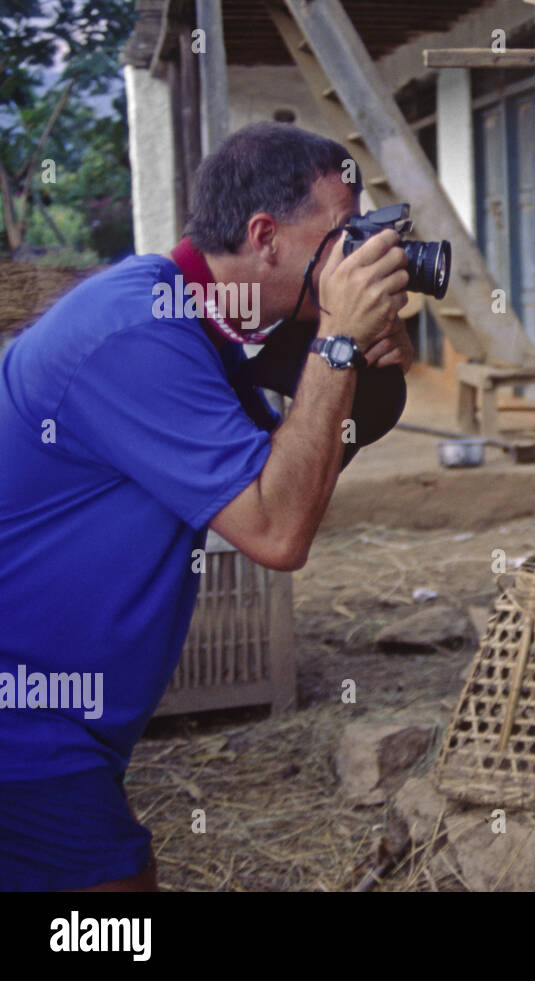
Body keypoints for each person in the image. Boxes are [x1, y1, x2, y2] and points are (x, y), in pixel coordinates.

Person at [0, 122, 415, 891]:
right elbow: (277, 529)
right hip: (22, 724)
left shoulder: (197, 323)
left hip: (61, 721)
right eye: (342, 240)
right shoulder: (139, 332)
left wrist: (360, 361)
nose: (358, 260)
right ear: (265, 237)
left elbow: (296, 465)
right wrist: (333, 341)